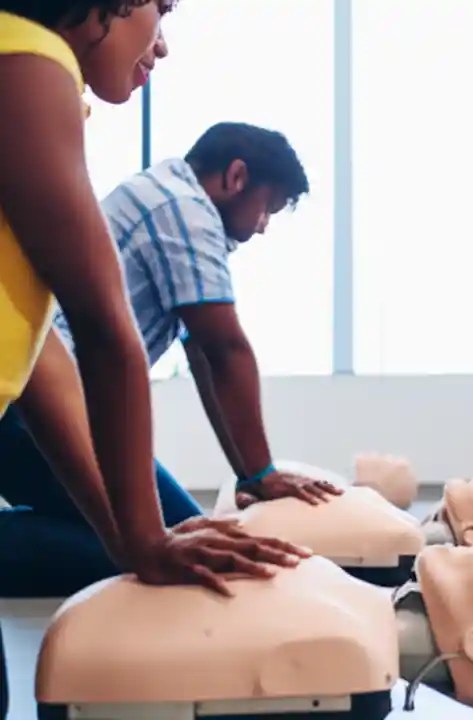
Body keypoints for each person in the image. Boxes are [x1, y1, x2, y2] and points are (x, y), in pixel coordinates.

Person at [0, 121, 343, 596]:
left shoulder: (171, 198)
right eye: (268, 207)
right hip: (37, 405)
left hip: (44, 396)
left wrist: (252, 473)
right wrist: (263, 474)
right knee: (175, 547)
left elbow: (203, 357)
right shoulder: (184, 210)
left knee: (183, 534)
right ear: (236, 177)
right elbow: (225, 350)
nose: (263, 226)